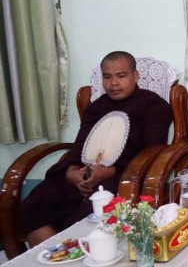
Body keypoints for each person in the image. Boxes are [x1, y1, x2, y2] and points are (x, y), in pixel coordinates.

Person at [18, 51, 173, 246]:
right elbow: (80, 145)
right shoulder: (97, 107)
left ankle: (78, 259)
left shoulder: (153, 105)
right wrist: (70, 172)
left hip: (124, 176)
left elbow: (153, 151)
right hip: (84, 175)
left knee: (90, 216)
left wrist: (110, 171)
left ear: (135, 76)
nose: (114, 83)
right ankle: (58, 261)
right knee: (34, 205)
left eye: (121, 76)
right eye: (107, 77)